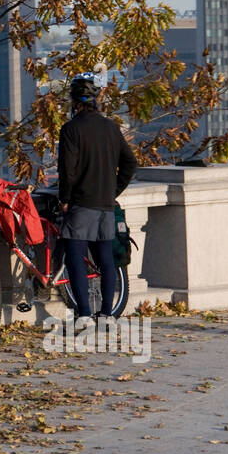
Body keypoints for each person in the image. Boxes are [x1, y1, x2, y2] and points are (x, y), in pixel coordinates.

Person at [57, 72, 138, 330]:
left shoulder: (70, 130)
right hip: (105, 205)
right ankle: (106, 314)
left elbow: (66, 171)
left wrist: (65, 199)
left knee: (75, 258)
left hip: (81, 204)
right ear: (96, 99)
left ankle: (83, 314)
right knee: (106, 261)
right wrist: (114, 190)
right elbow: (130, 162)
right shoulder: (111, 128)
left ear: (73, 101)